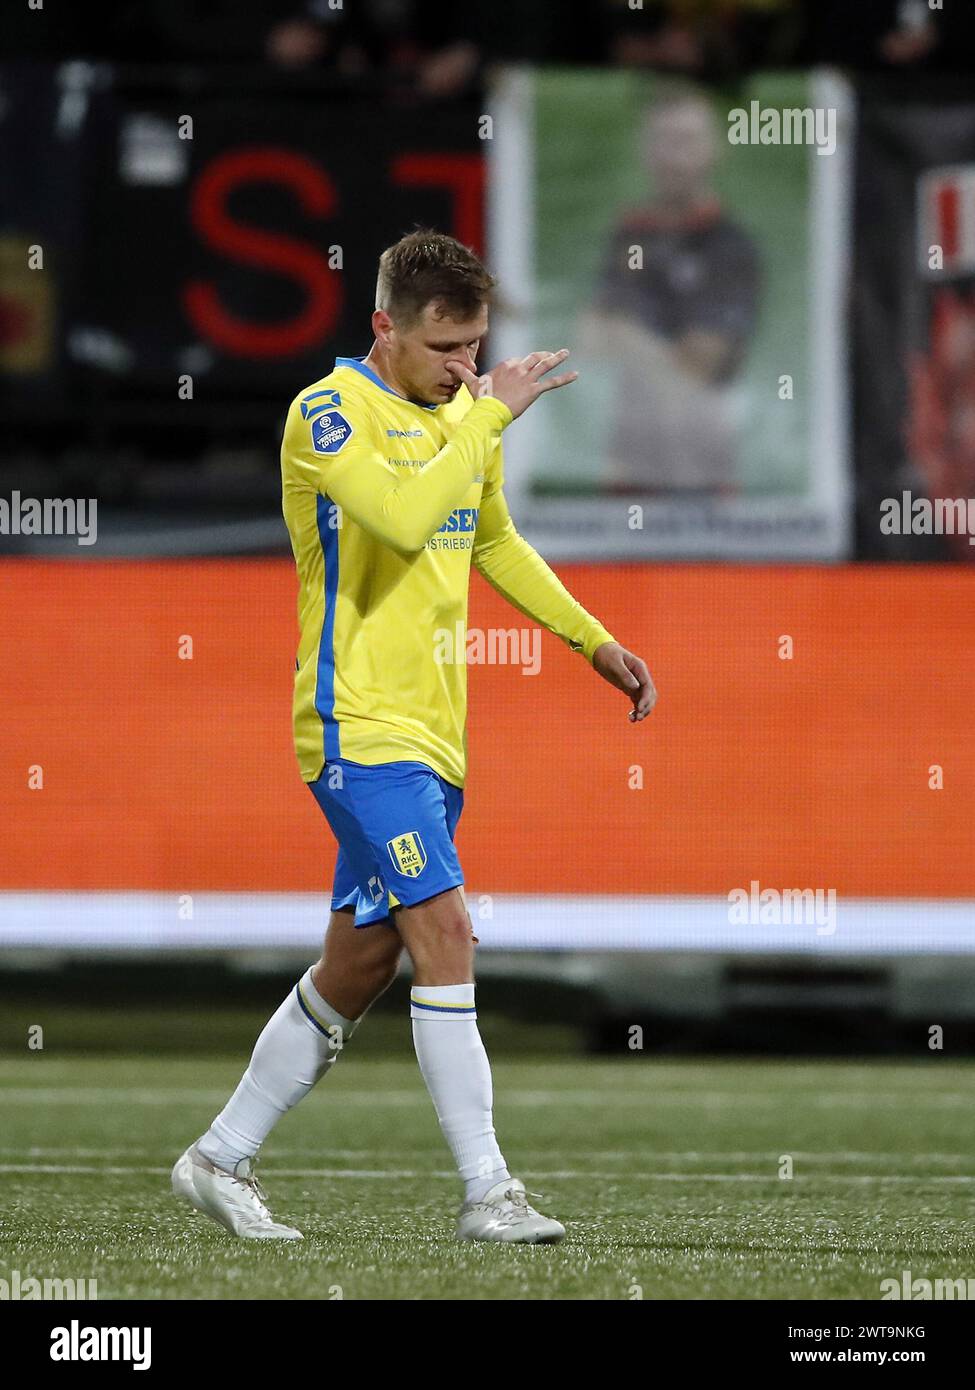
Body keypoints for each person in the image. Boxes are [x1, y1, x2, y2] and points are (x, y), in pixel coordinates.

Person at [172, 230, 656, 1244]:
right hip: (358, 727)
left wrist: (591, 640)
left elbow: (488, 537)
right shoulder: (329, 412)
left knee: (360, 963)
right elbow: (399, 517)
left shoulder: (462, 417)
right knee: (448, 932)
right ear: (384, 327)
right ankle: (491, 1191)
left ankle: (217, 1158)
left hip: (437, 739)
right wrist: (486, 420)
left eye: (477, 346)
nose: (465, 369)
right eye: (445, 348)